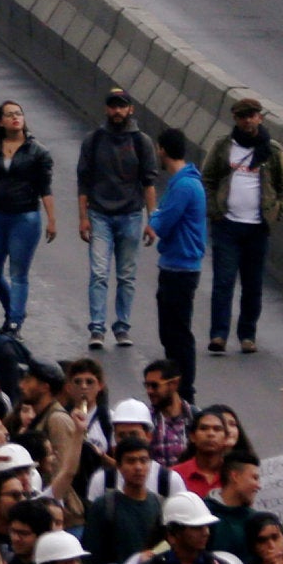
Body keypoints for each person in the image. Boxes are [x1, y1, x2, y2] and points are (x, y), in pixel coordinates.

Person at [201, 98, 283, 356]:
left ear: (260, 118)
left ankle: (247, 335)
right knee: (223, 283)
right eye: (242, 116)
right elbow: (208, 178)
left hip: (257, 229)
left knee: (252, 285)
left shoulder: (271, 150)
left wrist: (274, 212)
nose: (248, 120)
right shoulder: (223, 147)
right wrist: (215, 210)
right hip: (227, 226)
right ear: (236, 120)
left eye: (252, 115)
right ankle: (218, 335)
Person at [79, 87, 156, 354]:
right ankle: (97, 328)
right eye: (113, 106)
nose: (117, 111)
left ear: (130, 109)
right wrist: (83, 218)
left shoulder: (141, 141)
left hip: (131, 215)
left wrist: (151, 219)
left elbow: (148, 183)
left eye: (122, 106)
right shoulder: (94, 140)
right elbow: (84, 182)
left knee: (126, 275)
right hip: (100, 214)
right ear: (106, 109)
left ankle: (122, 326)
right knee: (99, 274)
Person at [0, 99, 56, 332]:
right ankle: (13, 308)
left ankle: (15, 320)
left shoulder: (37, 151)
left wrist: (51, 220)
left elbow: (45, 188)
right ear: (0, 121)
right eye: (9, 114)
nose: (15, 117)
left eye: (19, 113)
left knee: (18, 272)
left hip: (24, 217)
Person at [149, 128, 208, 397]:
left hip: (181, 267)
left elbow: (164, 219)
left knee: (177, 334)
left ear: (162, 149)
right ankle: (177, 386)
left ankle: (185, 390)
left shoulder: (184, 185)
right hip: (176, 264)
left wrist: (154, 221)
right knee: (170, 332)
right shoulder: (182, 182)